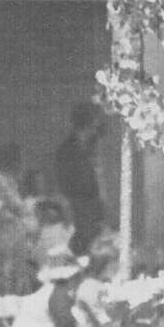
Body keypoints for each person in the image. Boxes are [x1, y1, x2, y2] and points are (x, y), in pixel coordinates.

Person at [53, 103, 106, 255]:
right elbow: (68, 182)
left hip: (88, 208)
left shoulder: (86, 147)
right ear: (88, 124)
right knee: (83, 251)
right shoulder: (69, 150)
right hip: (80, 208)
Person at [0, 144, 34, 296]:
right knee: (6, 271)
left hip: (14, 231)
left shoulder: (10, 179)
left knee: (17, 271)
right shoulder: (0, 179)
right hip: (6, 231)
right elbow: (12, 204)